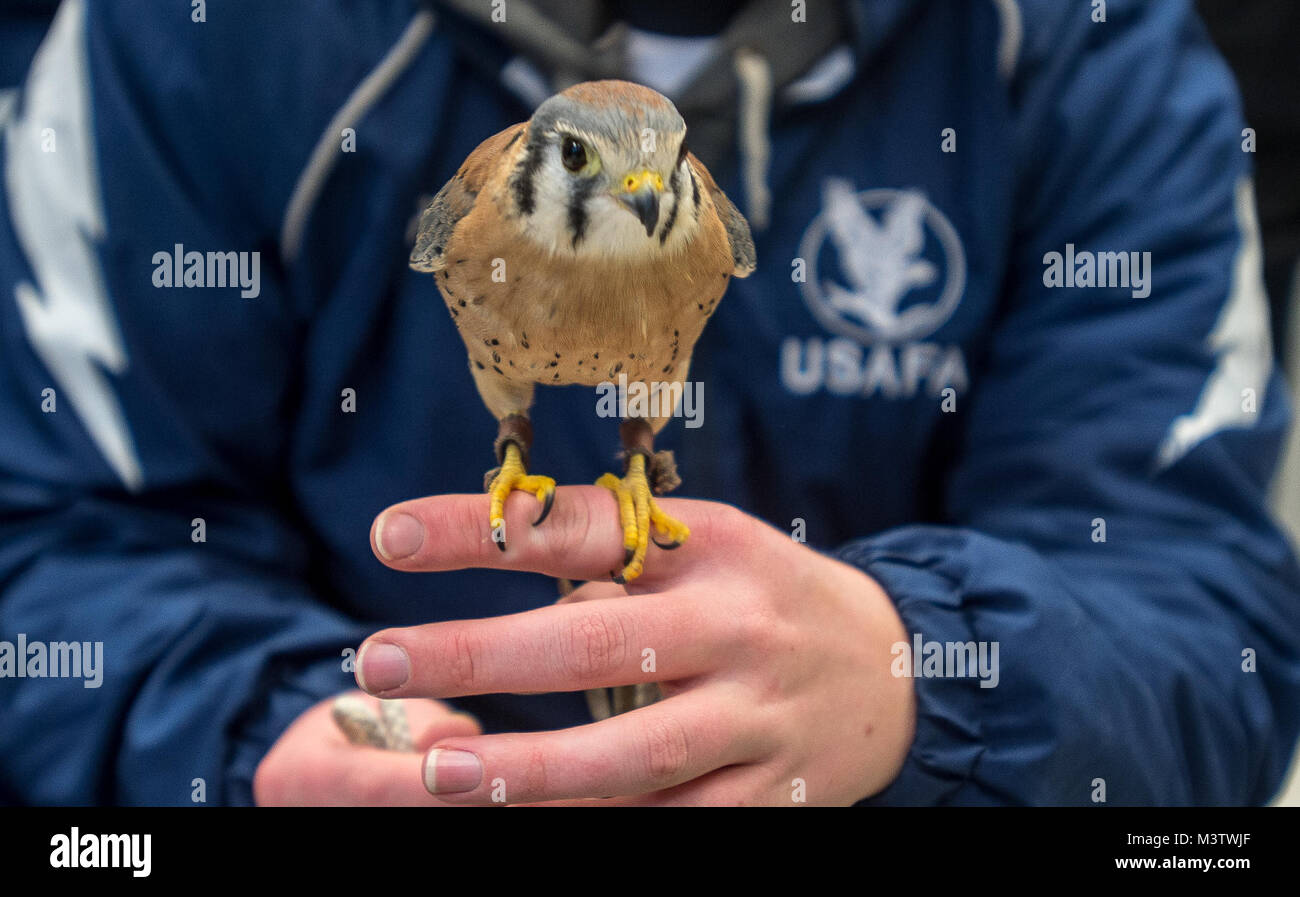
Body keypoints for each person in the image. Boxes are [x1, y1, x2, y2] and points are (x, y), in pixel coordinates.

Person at [1, 0, 1297, 806]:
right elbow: (54, 544)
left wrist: (923, 677)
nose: (632, 201)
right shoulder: (196, 33)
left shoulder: (1087, 42)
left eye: (657, 181)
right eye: (592, 171)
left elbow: (1204, 609)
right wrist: (264, 735)